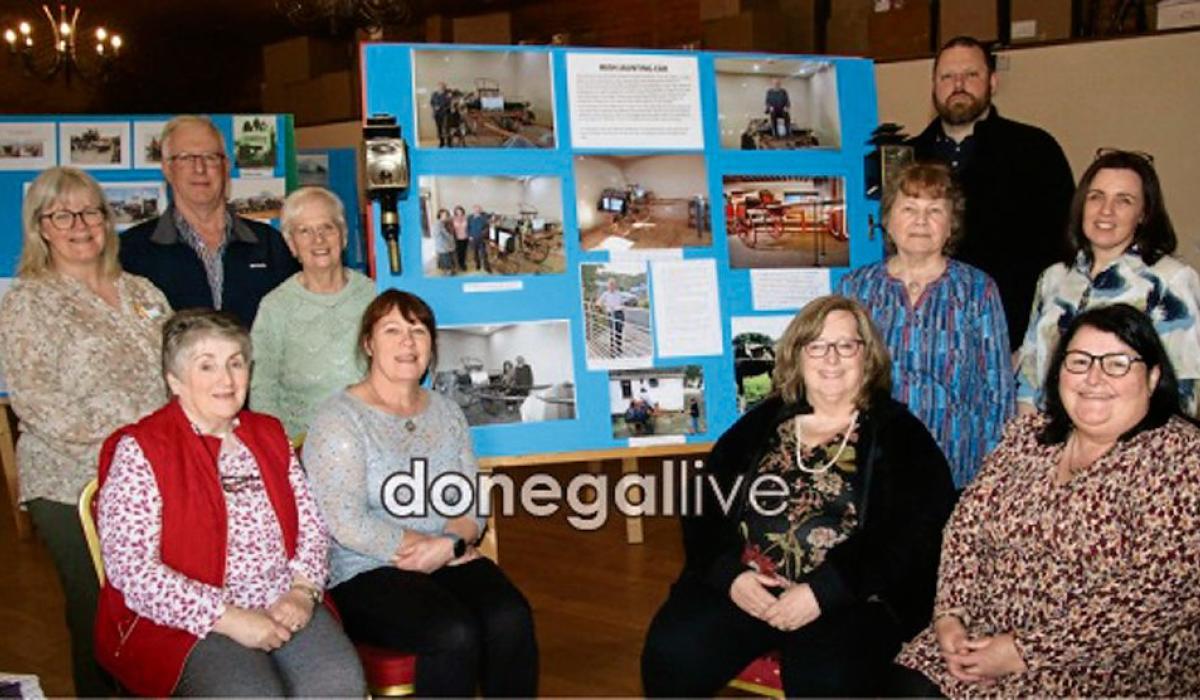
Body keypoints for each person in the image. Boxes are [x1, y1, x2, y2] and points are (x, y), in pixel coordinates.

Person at [642, 295, 956, 696]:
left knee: (824, 676)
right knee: (672, 653)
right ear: (798, 355)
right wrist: (730, 576)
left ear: (867, 356)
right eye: (817, 346)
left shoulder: (900, 433)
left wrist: (824, 591)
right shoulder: (764, 421)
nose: (832, 359)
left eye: (846, 345)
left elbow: (914, 533)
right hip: (752, 584)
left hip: (847, 598)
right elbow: (703, 502)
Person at [893, 303, 1200, 697]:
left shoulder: (1181, 456)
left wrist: (1022, 651)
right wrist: (951, 618)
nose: (1094, 377)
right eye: (1079, 361)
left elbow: (1160, 592)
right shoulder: (1028, 435)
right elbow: (965, 531)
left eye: (1118, 363)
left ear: (1153, 377)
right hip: (980, 637)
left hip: (1102, 665)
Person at [93, 309, 365, 697]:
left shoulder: (268, 433)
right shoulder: (141, 449)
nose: (226, 379)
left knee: (336, 682)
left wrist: (302, 591)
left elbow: (311, 526)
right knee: (250, 694)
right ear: (175, 380)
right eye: (206, 366)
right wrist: (228, 617)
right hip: (186, 622)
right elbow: (132, 571)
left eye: (235, 364)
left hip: (284, 597)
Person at [303, 290, 538, 696]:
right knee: (452, 631)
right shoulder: (338, 419)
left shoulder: (447, 411)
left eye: (418, 330)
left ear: (432, 343)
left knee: (511, 617)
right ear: (368, 344)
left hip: (445, 553)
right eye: (392, 329)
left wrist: (450, 544)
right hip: (365, 566)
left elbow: (470, 499)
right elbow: (345, 522)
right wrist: (435, 546)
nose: (407, 342)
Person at [0, 166, 170, 696]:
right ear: (41, 227)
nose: (80, 224)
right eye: (62, 214)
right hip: (73, 479)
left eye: (91, 211)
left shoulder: (141, 290)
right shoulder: (28, 301)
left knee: (158, 598)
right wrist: (130, 444)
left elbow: (180, 367)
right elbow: (36, 401)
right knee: (99, 604)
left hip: (157, 473)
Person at [840, 162, 1013, 488]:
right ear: (887, 219)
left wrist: (993, 476)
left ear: (951, 224)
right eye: (909, 208)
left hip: (957, 468)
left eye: (935, 210)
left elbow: (998, 392)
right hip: (877, 464)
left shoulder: (978, 290)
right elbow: (838, 376)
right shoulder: (855, 289)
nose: (921, 220)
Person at [909, 36, 1075, 348]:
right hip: (923, 337)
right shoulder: (906, 158)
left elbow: (1065, 251)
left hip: (1011, 338)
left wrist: (1034, 343)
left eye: (971, 75)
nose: (958, 84)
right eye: (947, 76)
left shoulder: (1036, 151)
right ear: (933, 86)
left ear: (993, 82)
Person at [1017, 149, 1200, 417]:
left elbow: (1184, 392)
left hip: (1132, 447)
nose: (1106, 210)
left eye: (1123, 200)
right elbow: (1030, 377)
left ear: (1144, 213)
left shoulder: (1171, 281)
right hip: (1053, 442)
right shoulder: (1053, 278)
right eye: (1096, 197)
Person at [120, 114, 298, 328]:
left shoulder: (270, 245)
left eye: (210, 157)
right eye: (186, 158)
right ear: (167, 168)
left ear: (226, 166)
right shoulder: (132, 252)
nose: (200, 168)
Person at [249, 187, 376, 440]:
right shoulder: (275, 307)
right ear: (291, 243)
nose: (318, 239)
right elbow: (262, 389)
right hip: (300, 446)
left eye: (327, 227)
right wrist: (282, 450)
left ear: (343, 235)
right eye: (304, 231)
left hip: (371, 439)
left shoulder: (375, 296)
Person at [596, 278, 630, 356]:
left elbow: (625, 300)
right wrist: (600, 308)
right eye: (610, 284)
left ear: (615, 285)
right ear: (608, 286)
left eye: (613, 284)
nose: (612, 286)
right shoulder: (605, 294)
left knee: (619, 331)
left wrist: (624, 304)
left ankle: (619, 347)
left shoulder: (619, 293)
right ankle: (612, 348)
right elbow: (598, 302)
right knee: (612, 331)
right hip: (611, 314)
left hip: (619, 313)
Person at [466, 204, 491, 273]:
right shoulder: (470, 217)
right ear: (473, 210)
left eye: (478, 209)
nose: (477, 210)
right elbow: (467, 228)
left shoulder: (483, 218)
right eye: (476, 209)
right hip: (473, 239)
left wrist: (484, 233)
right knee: (475, 253)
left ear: (480, 210)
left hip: (481, 239)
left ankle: (487, 267)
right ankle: (478, 265)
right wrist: (469, 236)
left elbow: (487, 227)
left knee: (484, 253)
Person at [433, 207, 456, 275]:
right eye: (443, 215)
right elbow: (438, 235)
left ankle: (450, 272)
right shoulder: (438, 224)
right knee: (446, 262)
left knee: (450, 261)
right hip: (443, 246)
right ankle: (448, 274)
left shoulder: (446, 222)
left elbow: (451, 233)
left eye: (446, 215)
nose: (445, 216)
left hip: (449, 246)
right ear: (440, 215)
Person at [431, 82, 453, 148]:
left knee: (446, 128)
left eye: (442, 86)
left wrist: (440, 106)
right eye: (439, 86)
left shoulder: (448, 94)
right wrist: (434, 107)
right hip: (437, 114)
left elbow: (449, 102)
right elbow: (431, 102)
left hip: (445, 113)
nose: (441, 87)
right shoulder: (434, 94)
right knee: (439, 129)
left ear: (444, 87)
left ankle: (449, 143)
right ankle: (441, 142)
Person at [451, 205, 469, 272]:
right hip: (457, 238)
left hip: (465, 237)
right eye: (457, 211)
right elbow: (450, 228)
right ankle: (459, 264)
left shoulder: (466, 218)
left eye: (460, 211)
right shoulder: (453, 218)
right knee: (458, 252)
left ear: (462, 211)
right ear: (455, 212)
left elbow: (469, 227)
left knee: (464, 251)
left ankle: (463, 264)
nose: (459, 212)